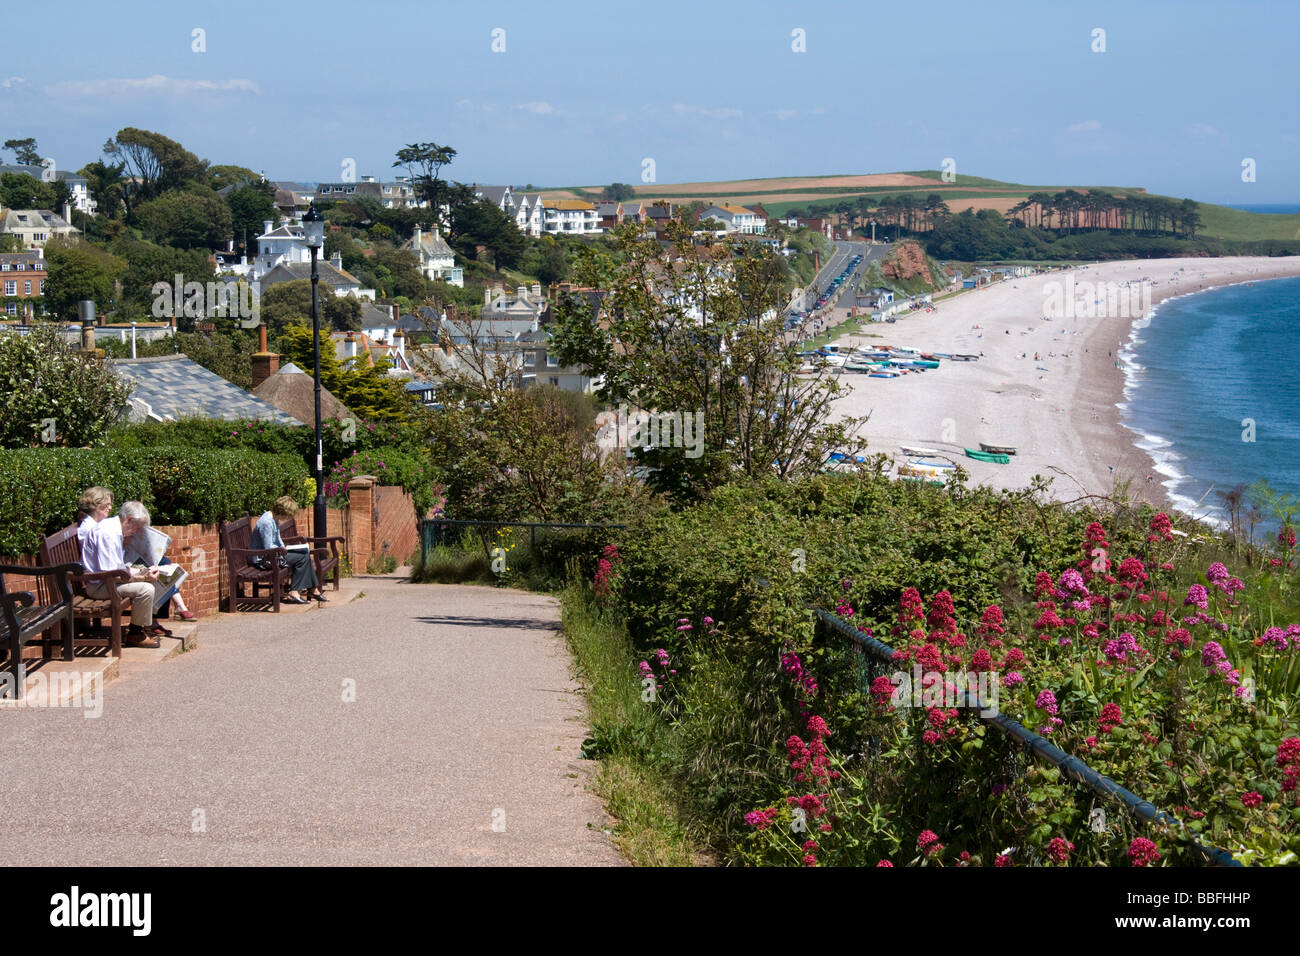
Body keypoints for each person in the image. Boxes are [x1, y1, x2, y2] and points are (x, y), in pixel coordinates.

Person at [81, 501, 172, 646]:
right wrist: (143, 577)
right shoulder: (108, 534)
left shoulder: (113, 528)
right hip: (100, 586)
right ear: (129, 520)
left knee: (154, 579)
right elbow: (111, 574)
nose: (136, 532)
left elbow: (118, 568)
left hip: (107, 581)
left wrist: (144, 571)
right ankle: (135, 634)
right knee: (146, 589)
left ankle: (142, 627)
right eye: (137, 527)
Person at [251, 496, 326, 604]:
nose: (288, 518)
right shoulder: (267, 522)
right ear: (283, 512)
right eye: (288, 515)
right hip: (263, 559)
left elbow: (277, 539)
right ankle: (299, 591)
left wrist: (285, 548)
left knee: (304, 554)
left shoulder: (273, 518)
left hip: (272, 555)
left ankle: (311, 590)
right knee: (302, 558)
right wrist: (283, 550)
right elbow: (268, 547)